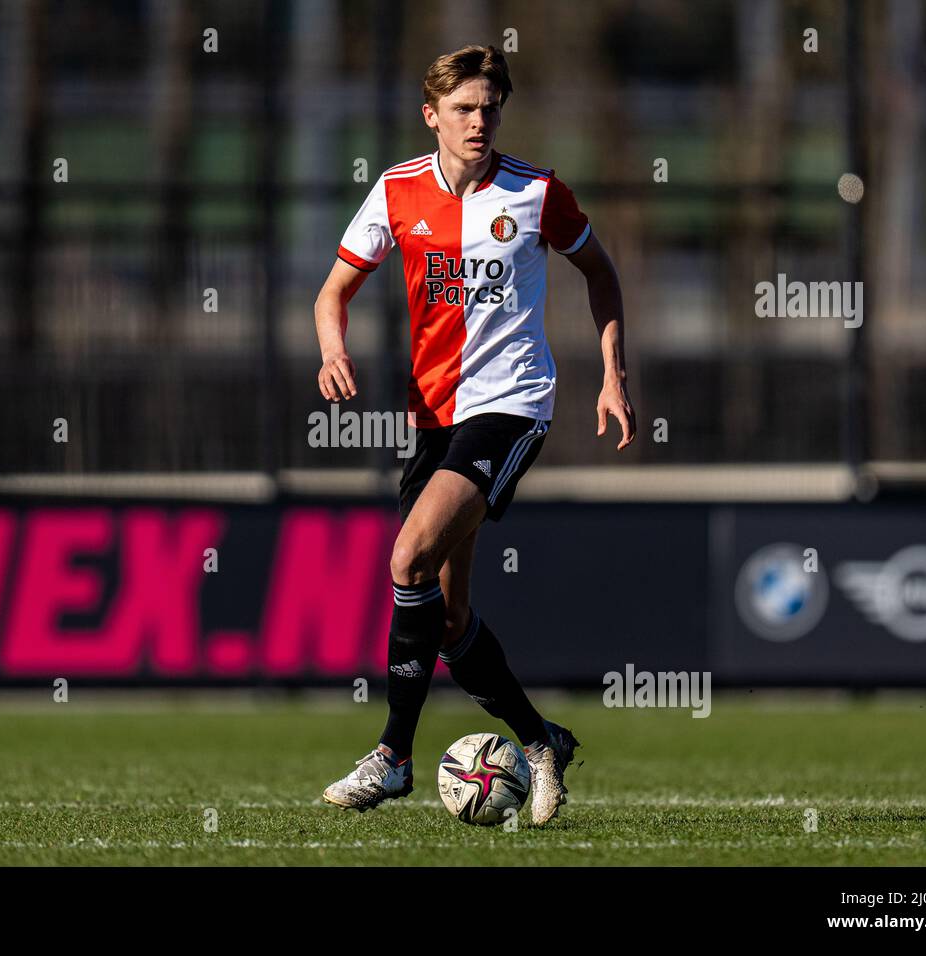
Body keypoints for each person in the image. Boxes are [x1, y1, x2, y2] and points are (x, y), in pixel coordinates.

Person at [314, 44, 635, 825]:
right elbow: (334, 291)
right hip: (434, 417)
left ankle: (393, 756)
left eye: (490, 107)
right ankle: (540, 738)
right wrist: (332, 346)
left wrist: (614, 375)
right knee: (448, 616)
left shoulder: (535, 192)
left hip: (513, 405)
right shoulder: (396, 191)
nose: (479, 121)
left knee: (407, 555)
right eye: (463, 108)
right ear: (432, 116)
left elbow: (600, 271)